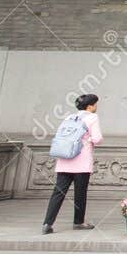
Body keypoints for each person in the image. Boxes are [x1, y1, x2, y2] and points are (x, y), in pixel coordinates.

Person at [42, 93, 101, 234]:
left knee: (58, 193)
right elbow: (98, 138)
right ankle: (78, 221)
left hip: (64, 160)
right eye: (96, 104)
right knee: (80, 193)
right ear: (90, 106)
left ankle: (47, 223)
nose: (96, 107)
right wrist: (89, 140)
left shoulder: (69, 117)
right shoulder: (92, 117)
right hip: (81, 161)